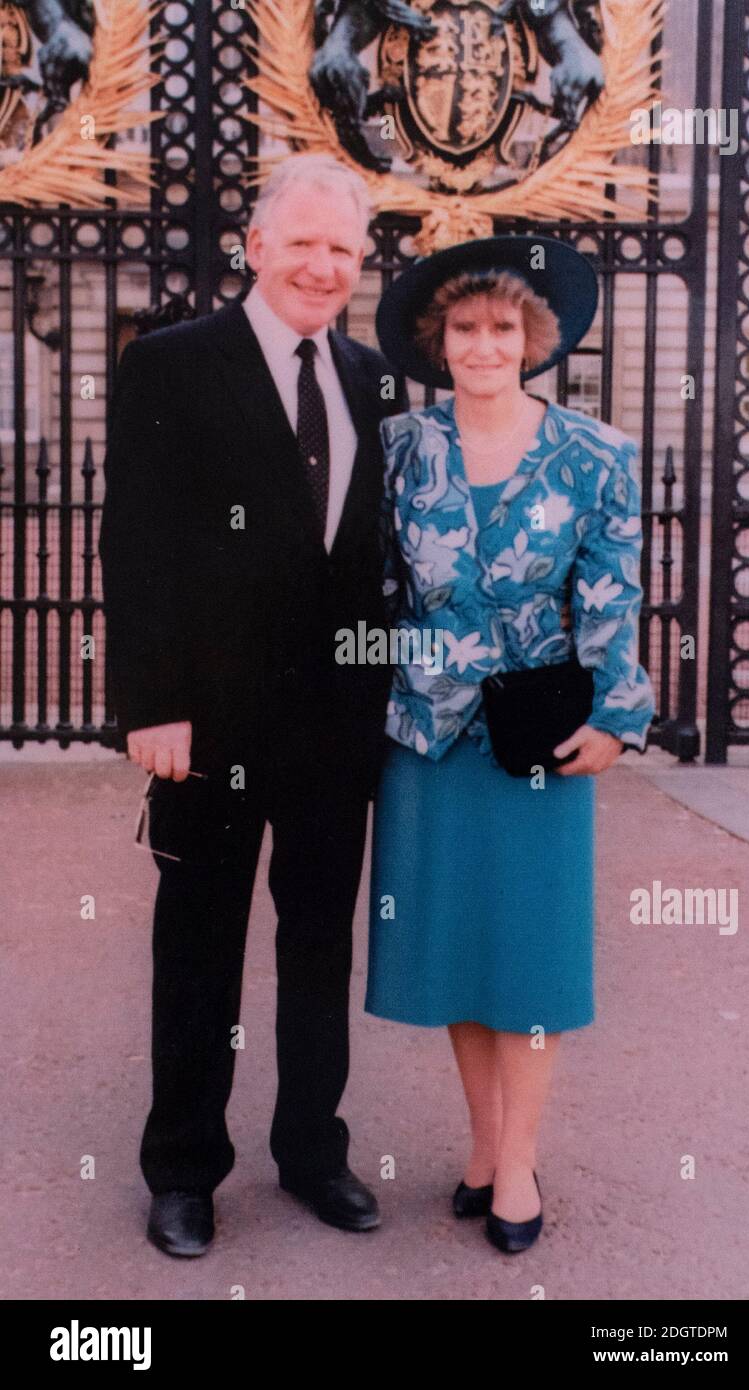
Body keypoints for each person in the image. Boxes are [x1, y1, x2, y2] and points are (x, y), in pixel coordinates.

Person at [98, 154, 407, 1256]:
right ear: (257, 245)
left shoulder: (374, 376)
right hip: (208, 725)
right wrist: (154, 703)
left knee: (320, 944)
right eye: (306, 242)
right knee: (199, 946)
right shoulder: (173, 364)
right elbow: (134, 545)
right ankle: (182, 1167)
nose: (324, 266)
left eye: (344, 249)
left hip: (336, 729)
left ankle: (312, 1151)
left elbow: (375, 556)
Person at [367, 235, 655, 1253]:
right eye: (463, 328)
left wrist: (618, 716)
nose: (482, 345)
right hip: (428, 731)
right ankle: (482, 1146)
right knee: (458, 947)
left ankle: (520, 1164)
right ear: (436, 341)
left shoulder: (596, 455)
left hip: (540, 737)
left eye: (501, 328)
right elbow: (378, 585)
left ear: (532, 340)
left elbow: (613, 598)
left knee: (530, 954)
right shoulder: (399, 449)